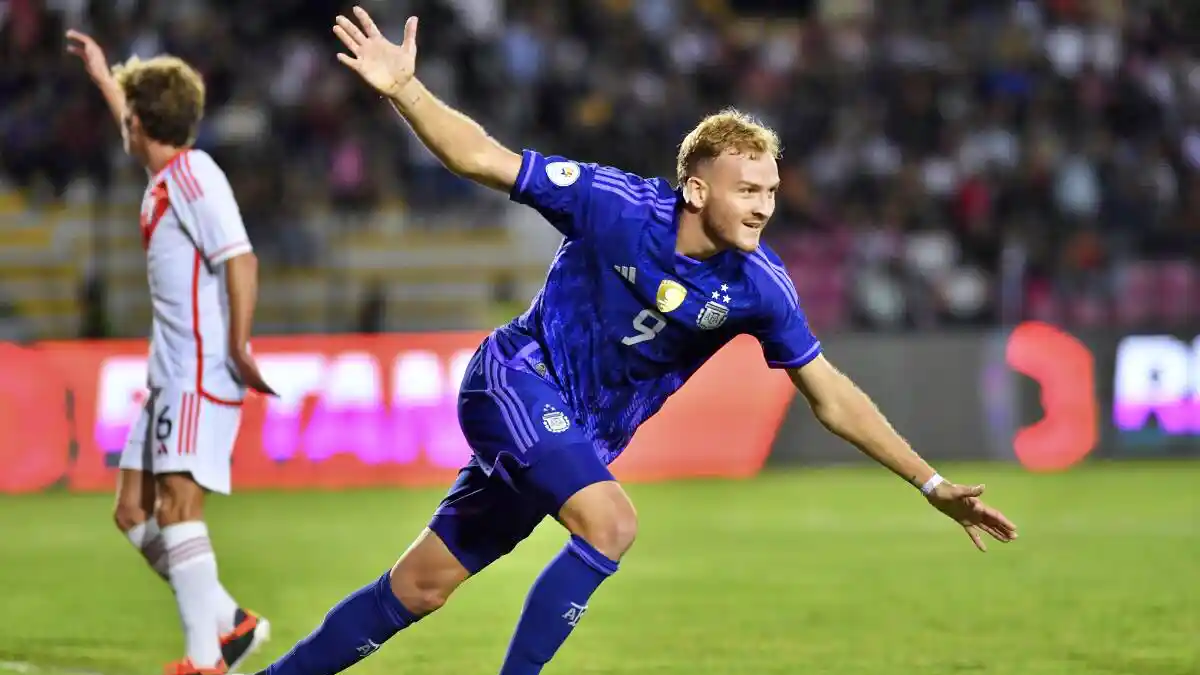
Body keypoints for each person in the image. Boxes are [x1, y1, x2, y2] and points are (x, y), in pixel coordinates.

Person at [247, 8, 1019, 675]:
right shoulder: (615, 205)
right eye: (748, 189)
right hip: (515, 378)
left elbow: (831, 394)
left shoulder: (760, 286)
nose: (764, 208)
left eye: (772, 192)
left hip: (574, 433)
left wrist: (929, 483)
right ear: (696, 188)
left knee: (419, 587)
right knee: (613, 522)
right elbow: (483, 156)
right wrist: (406, 90)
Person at [66, 30, 275, 675]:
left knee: (178, 510)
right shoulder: (167, 173)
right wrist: (107, 78)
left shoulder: (192, 175)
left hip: (198, 372)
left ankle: (204, 660)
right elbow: (136, 124)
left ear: (137, 121)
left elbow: (239, 257)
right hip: (169, 378)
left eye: (126, 112)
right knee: (133, 512)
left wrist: (238, 344)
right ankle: (229, 624)